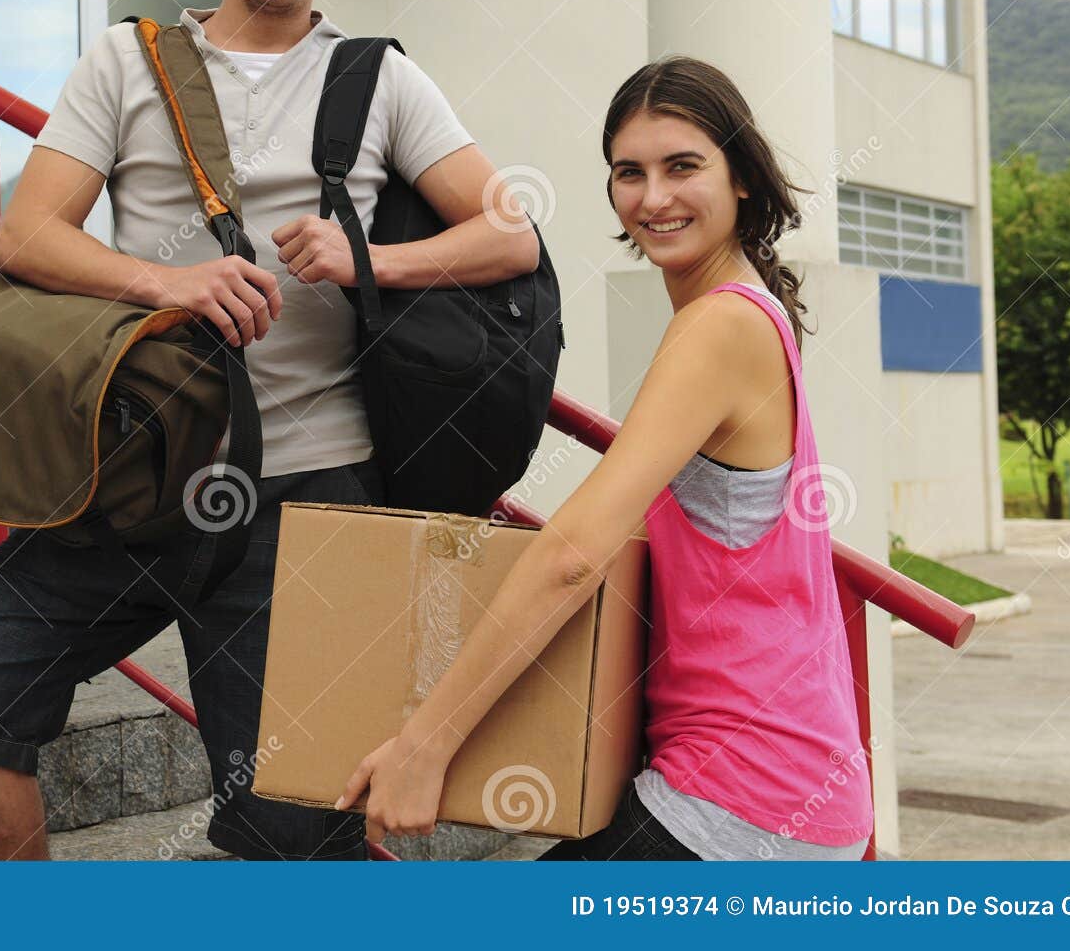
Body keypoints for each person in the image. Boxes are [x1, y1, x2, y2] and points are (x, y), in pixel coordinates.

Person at [0, 0, 538, 860]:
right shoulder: (125, 62)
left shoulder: (382, 78)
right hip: (141, 470)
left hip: (313, 501)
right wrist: (161, 282)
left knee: (298, 832)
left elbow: (510, 234)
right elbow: (27, 234)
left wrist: (366, 259)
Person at [336, 57, 874, 861]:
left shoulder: (720, 326)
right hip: (778, 784)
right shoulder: (742, 311)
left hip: (744, 798)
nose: (653, 197)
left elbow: (574, 554)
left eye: (683, 166)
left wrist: (424, 744)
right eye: (630, 172)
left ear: (742, 178)